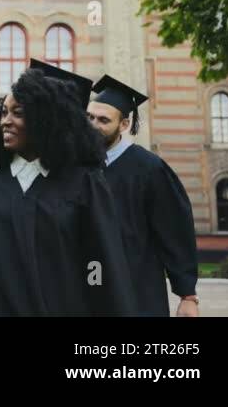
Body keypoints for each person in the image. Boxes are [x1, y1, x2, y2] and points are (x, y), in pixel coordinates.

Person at [0, 65, 137, 316]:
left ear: (48, 119)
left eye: (18, 113)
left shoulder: (84, 183)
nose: (5, 120)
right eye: (5, 112)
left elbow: (103, 261)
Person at [87, 74, 199, 317]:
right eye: (90, 117)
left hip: (138, 291)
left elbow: (175, 229)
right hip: (87, 291)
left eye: (103, 120)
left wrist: (187, 295)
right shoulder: (78, 166)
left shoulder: (149, 168)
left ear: (124, 125)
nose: (93, 125)